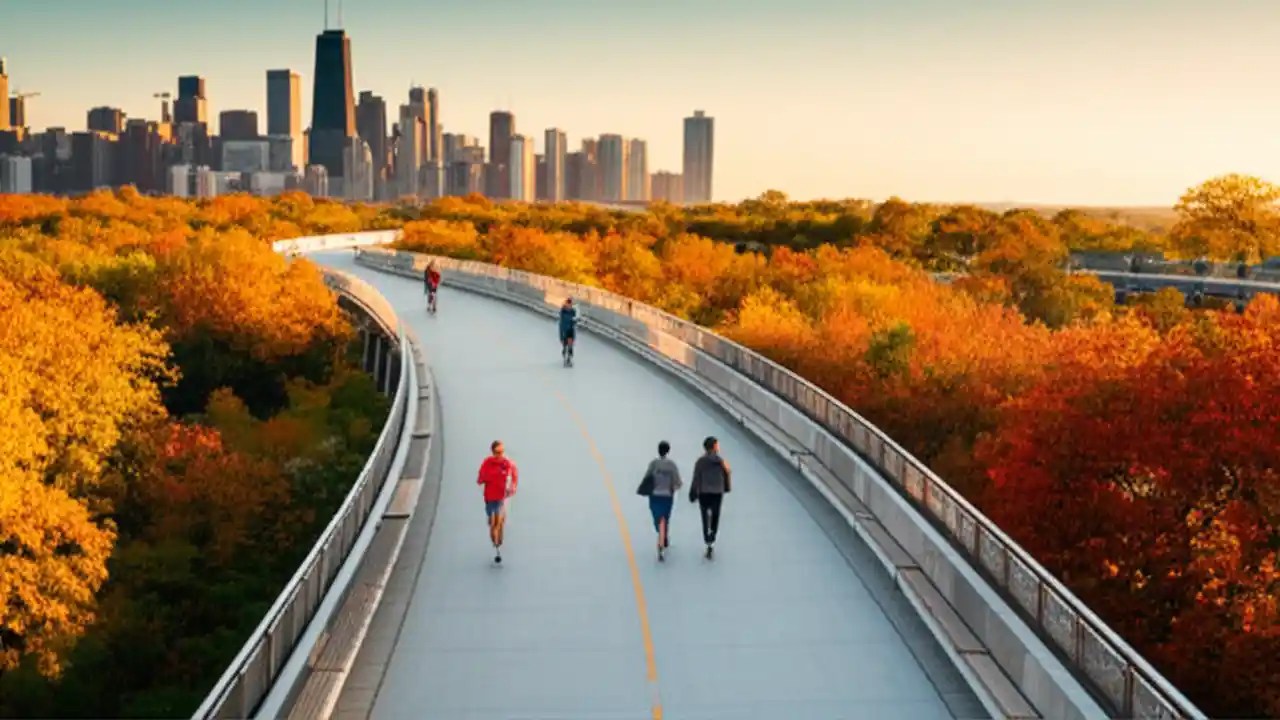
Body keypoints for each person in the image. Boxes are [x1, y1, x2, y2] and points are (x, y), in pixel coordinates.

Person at [477, 440, 519, 563]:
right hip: (490, 498)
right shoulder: (487, 463)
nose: (499, 455)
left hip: (501, 497)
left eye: (501, 452)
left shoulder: (507, 464)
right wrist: (484, 479)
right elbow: (480, 478)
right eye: (497, 452)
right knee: (492, 523)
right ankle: (495, 543)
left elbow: (514, 475)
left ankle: (499, 538)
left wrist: (513, 487)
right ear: (493, 452)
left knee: (499, 521)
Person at [690, 436, 731, 558]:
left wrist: (693, 492)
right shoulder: (721, 461)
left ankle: (707, 537)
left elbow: (696, 477)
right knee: (715, 515)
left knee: (704, 515)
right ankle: (712, 538)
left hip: (704, 492)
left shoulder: (700, 461)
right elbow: (727, 474)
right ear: (714, 447)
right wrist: (726, 488)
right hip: (717, 492)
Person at [640, 441, 683, 561]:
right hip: (667, 496)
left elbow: (647, 478)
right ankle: (664, 537)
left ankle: (660, 534)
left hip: (655, 496)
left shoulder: (653, 464)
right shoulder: (672, 465)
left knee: (657, 517)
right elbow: (677, 482)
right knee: (665, 517)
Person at [558, 298, 578, 363]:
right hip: (564, 329)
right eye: (568, 305)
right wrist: (561, 336)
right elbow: (561, 323)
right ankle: (565, 351)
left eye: (570, 305)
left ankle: (569, 354)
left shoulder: (573, 311)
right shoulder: (563, 312)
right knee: (565, 343)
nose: (569, 306)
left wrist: (575, 321)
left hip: (570, 330)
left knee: (570, 343)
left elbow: (575, 321)